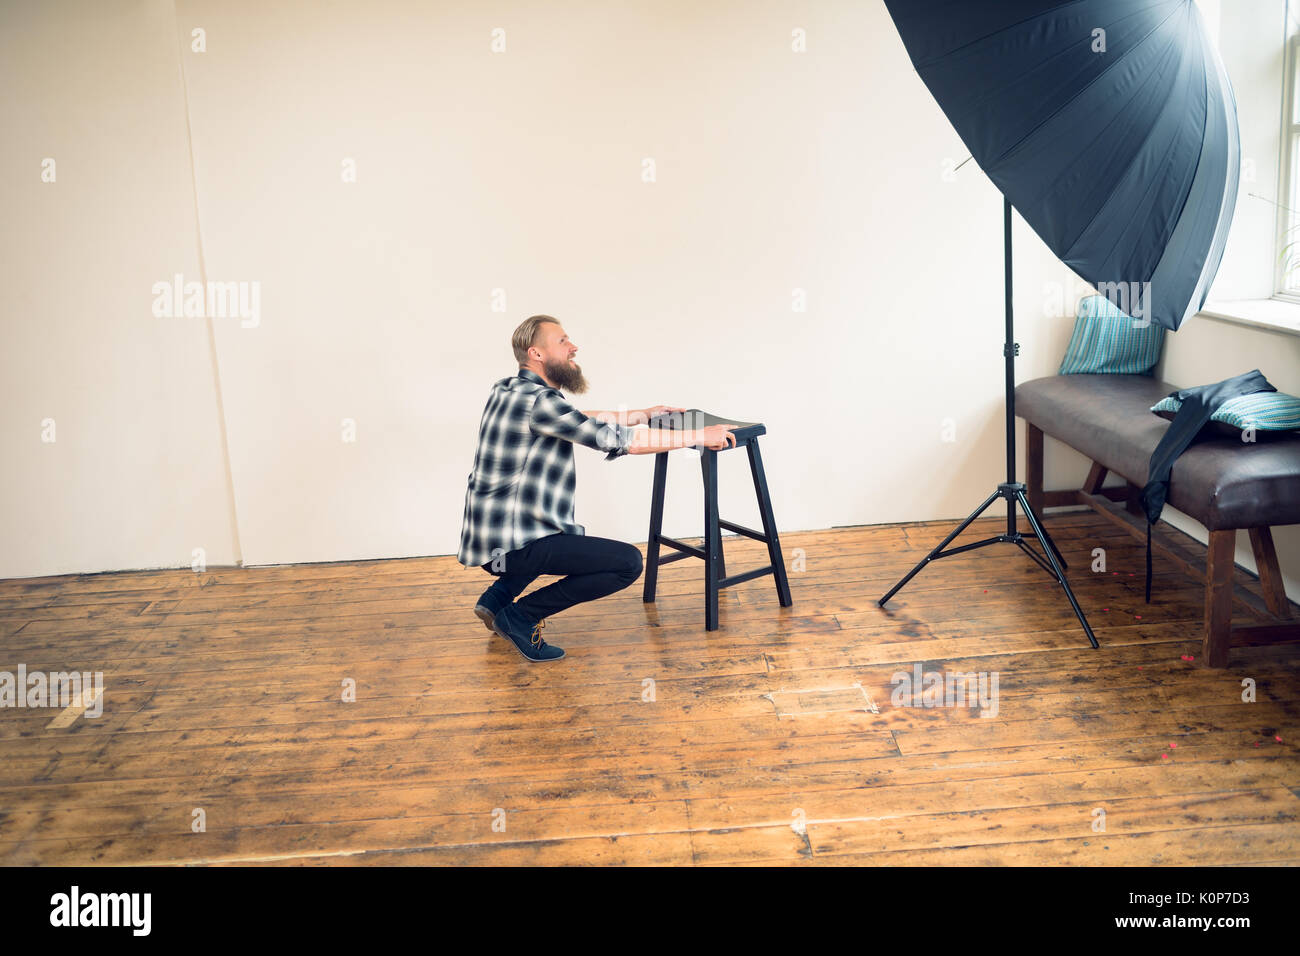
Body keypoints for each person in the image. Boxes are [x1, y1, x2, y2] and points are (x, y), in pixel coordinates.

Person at [457, 314, 739, 662]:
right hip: (514, 546)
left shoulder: (509, 389)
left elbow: (575, 417)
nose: (573, 347)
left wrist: (640, 413)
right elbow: (618, 442)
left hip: (492, 542)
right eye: (562, 341)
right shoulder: (540, 402)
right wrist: (697, 436)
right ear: (537, 354)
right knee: (626, 563)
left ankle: (496, 600)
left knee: (554, 535)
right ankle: (520, 615)